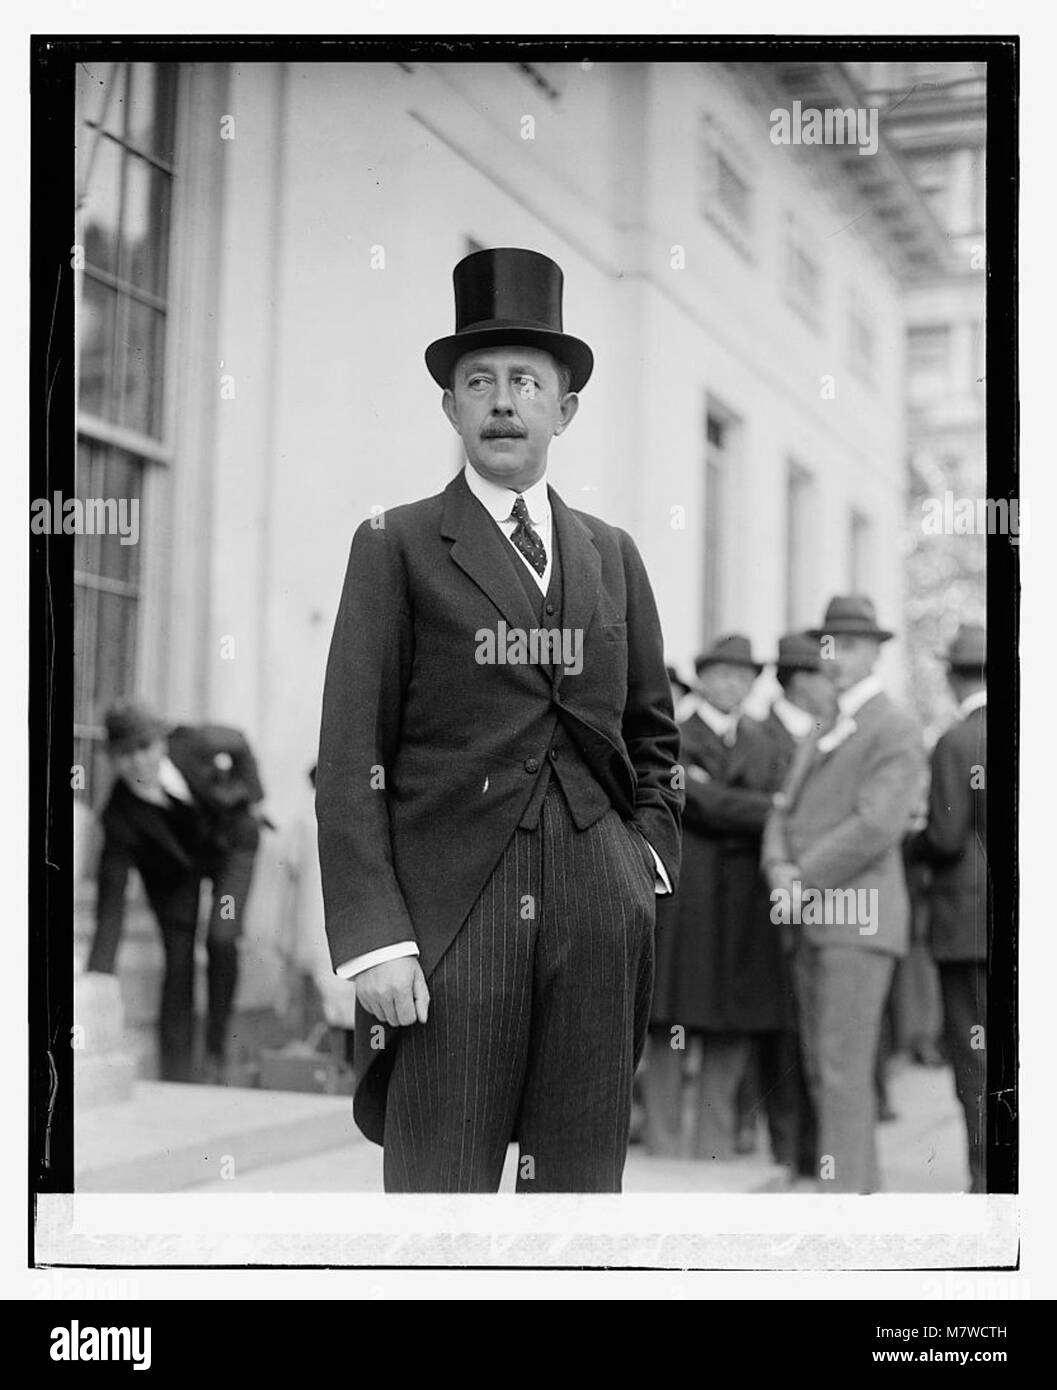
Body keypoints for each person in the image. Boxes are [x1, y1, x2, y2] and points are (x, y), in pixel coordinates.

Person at [316, 246, 682, 1193]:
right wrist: (374, 936)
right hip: (451, 916)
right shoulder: (393, 543)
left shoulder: (613, 553)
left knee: (577, 1196)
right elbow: (351, 750)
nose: (502, 400)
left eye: (526, 380)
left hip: (600, 911)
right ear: (450, 409)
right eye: (478, 382)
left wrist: (642, 865)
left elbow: (653, 734)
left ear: (564, 409)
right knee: (439, 1190)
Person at [762, 596, 925, 1194]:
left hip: (857, 923)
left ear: (877, 652)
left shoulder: (894, 725)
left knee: (841, 1072)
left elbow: (877, 825)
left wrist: (799, 877)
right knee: (825, 1069)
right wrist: (778, 864)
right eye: (828, 645)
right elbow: (783, 806)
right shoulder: (826, 724)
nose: (834, 658)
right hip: (815, 919)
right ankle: (858, 1204)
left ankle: (843, 1214)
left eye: (850, 645)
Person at [645, 634, 785, 1160]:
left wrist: (722, 801)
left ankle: (713, 1145)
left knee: (733, 1020)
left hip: (745, 899)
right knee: (671, 1023)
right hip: (691, 898)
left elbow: (724, 803)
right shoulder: (674, 735)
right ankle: (663, 1143)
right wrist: (759, 805)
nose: (733, 684)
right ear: (702, 677)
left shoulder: (764, 743)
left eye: (743, 676)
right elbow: (693, 801)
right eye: (722, 673)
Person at [85, 700, 268, 1083]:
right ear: (114, 761)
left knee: (222, 935)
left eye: (144, 748)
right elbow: (111, 902)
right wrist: (98, 978)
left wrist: (252, 796)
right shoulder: (118, 816)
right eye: (125, 754)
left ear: (161, 743)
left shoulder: (193, 742)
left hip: (230, 849)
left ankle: (217, 1054)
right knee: (178, 959)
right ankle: (178, 1074)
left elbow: (238, 742)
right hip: (175, 879)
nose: (138, 763)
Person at [746, 630, 835, 1180]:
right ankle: (787, 1142)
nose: (833, 683)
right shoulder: (761, 734)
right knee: (780, 1023)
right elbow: (761, 809)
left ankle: (808, 1144)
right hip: (769, 902)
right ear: (801, 680)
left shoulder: (829, 734)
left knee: (813, 1022)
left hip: (821, 899)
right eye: (825, 673)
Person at [909, 623, 988, 1191]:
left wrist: (910, 841)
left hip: (968, 925)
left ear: (950, 676)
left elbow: (946, 835)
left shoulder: (956, 742)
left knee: (975, 1057)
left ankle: (987, 1183)